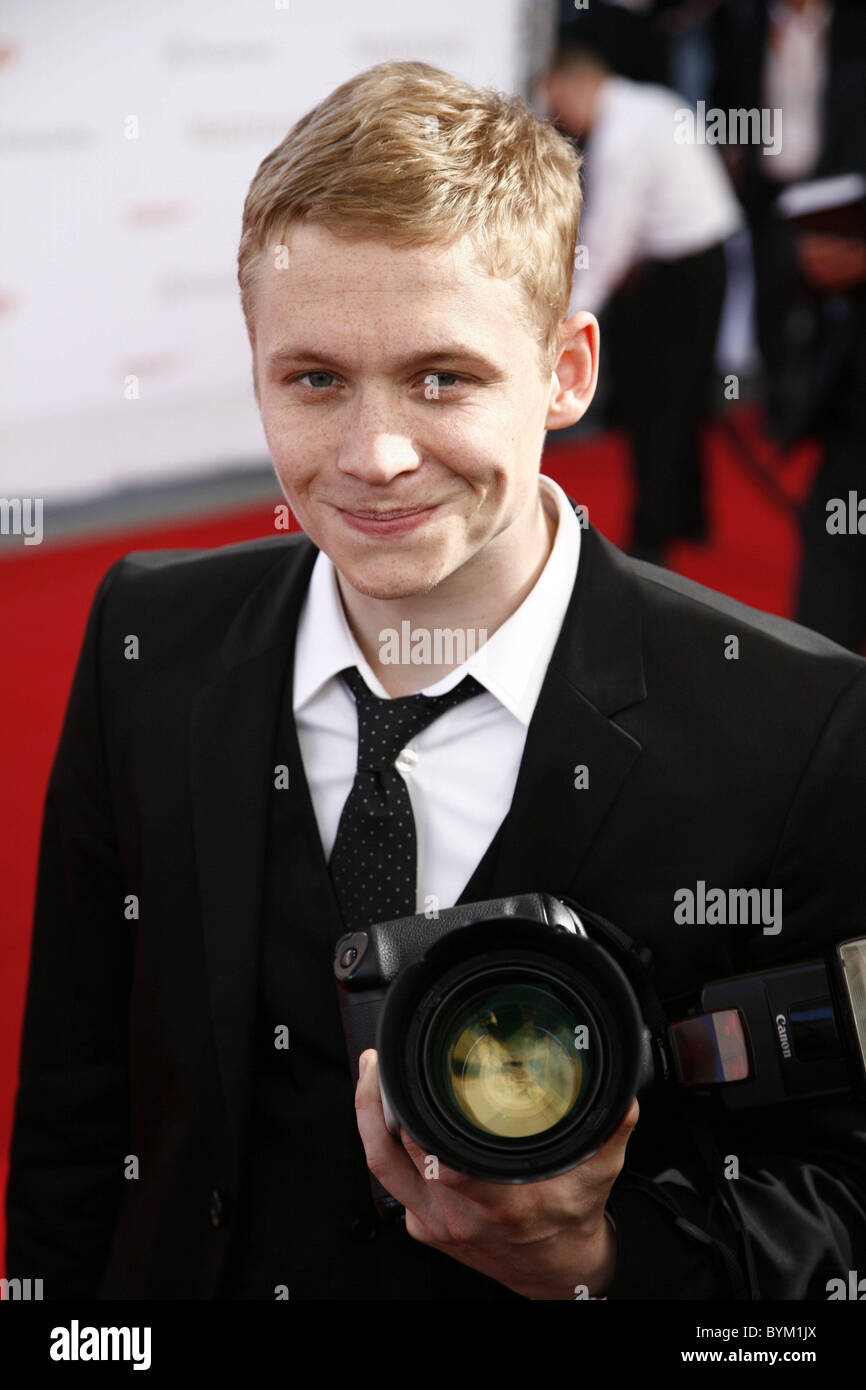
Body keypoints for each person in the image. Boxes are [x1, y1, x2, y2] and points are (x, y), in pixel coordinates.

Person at [6, 60, 866, 1302]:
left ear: (567, 372)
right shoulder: (152, 638)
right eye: (313, 379)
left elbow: (837, 1193)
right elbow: (80, 1104)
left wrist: (595, 1258)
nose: (375, 455)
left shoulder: (798, 723)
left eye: (440, 376)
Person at [543, 31, 742, 562]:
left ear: (575, 83)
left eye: (557, 101)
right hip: (704, 260)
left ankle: (650, 540)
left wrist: (563, 320)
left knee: (659, 404)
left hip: (681, 273)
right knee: (684, 399)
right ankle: (689, 519)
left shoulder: (621, 135)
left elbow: (607, 245)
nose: (558, 117)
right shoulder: (648, 102)